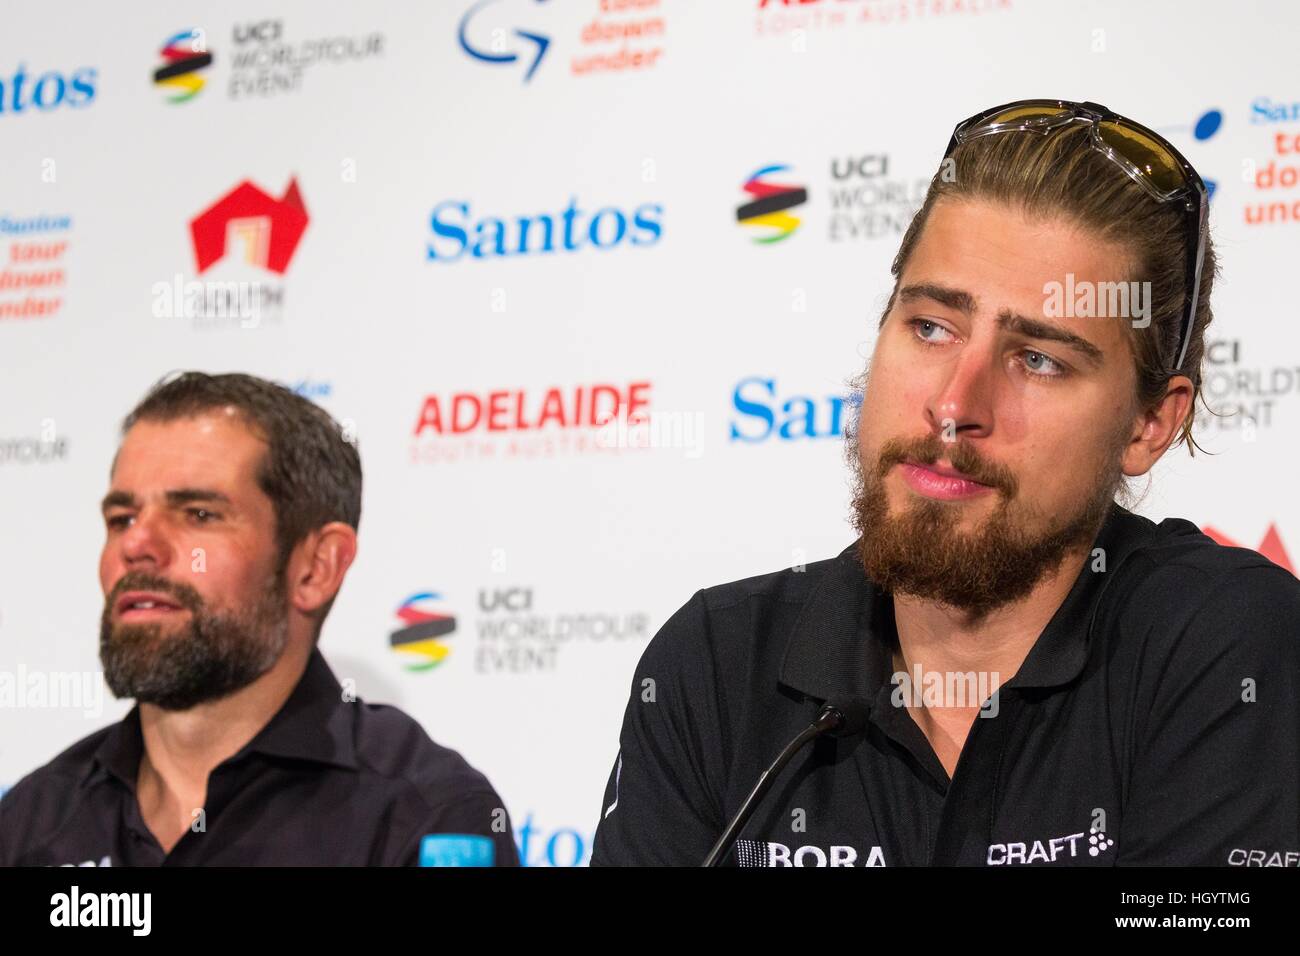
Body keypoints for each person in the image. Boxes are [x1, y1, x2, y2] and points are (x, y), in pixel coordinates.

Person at [591, 100, 1300, 867]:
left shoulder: (1222, 642)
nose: (956, 406)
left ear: (1148, 425)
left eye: (1040, 360)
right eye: (931, 327)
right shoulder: (716, 666)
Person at [0, 371, 518, 866]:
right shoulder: (29, 824)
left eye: (198, 514)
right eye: (122, 518)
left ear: (315, 567)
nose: (137, 545)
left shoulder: (424, 819)